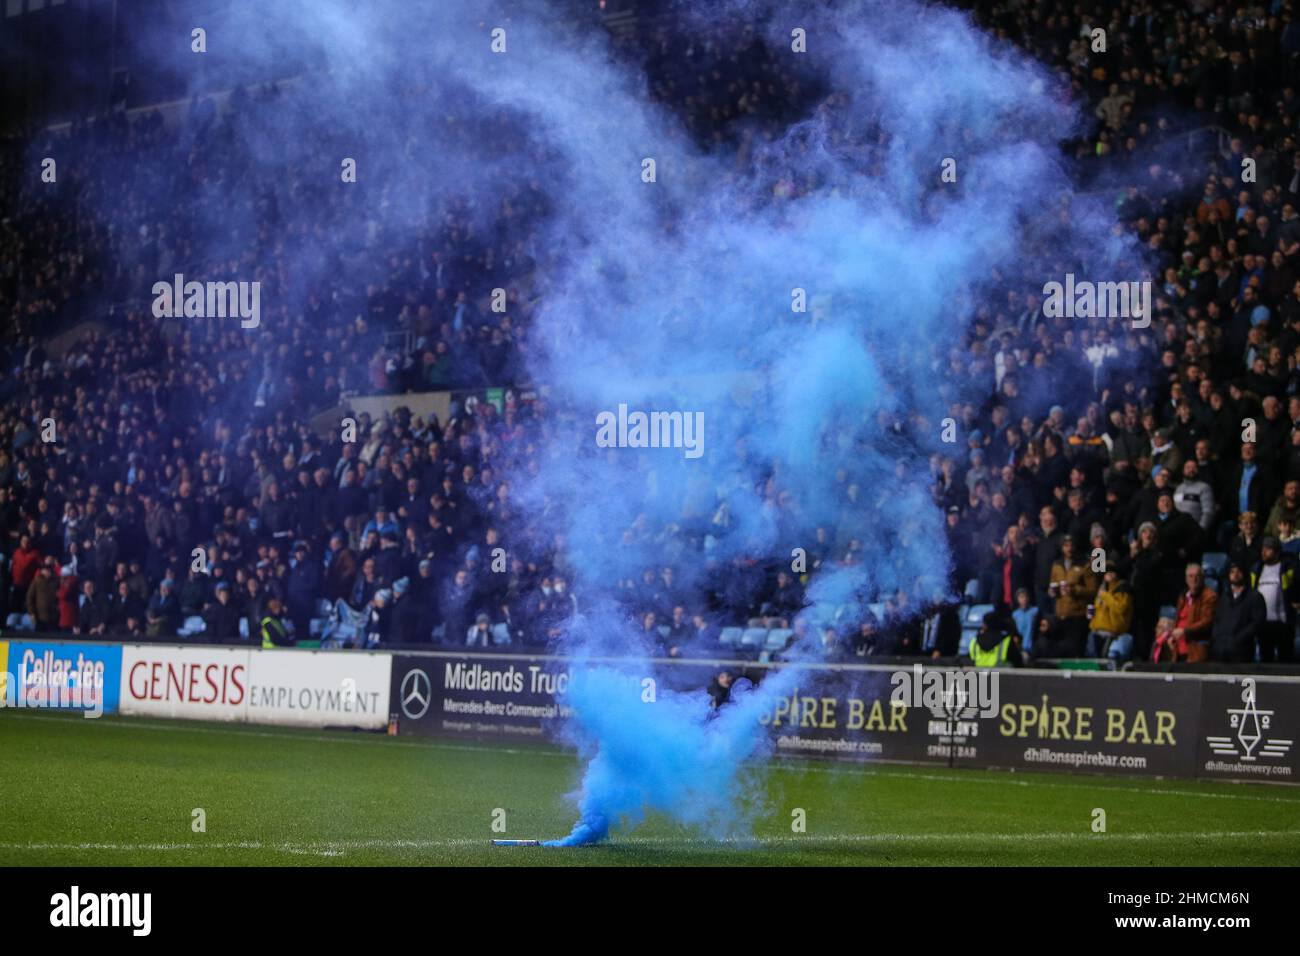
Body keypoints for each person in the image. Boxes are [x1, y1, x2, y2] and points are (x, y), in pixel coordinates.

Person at [1251, 537, 1298, 662]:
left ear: (1276, 551)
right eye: (1263, 549)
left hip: (1283, 623)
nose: (1263, 552)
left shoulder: (1288, 567)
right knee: (1265, 659)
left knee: (1286, 659)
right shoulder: (1257, 568)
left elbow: (1296, 585)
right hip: (1264, 624)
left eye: (1268, 549)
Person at [1211, 562, 1266, 662]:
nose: (1235, 575)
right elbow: (1217, 619)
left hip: (1242, 651)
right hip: (1220, 650)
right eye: (1232, 572)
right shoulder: (1224, 597)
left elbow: (1257, 623)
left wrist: (1239, 639)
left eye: (1238, 571)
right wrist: (1217, 638)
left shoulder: (1255, 596)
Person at [1171, 563, 1217, 663]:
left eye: (1197, 576)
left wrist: (1184, 631)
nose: (1194, 579)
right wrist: (1172, 635)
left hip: (1196, 650)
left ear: (1203, 578)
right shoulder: (1183, 596)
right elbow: (1178, 620)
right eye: (1190, 576)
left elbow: (1207, 621)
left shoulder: (1209, 596)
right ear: (1186, 579)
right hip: (1178, 648)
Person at [1088, 569, 1133, 661]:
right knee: (1092, 658)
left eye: (1111, 573)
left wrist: (1106, 596)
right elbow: (1098, 607)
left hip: (1112, 632)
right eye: (1106, 573)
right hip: (1096, 630)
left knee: (1106, 660)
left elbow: (1120, 608)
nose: (1108, 575)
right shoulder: (1102, 588)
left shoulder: (1123, 590)